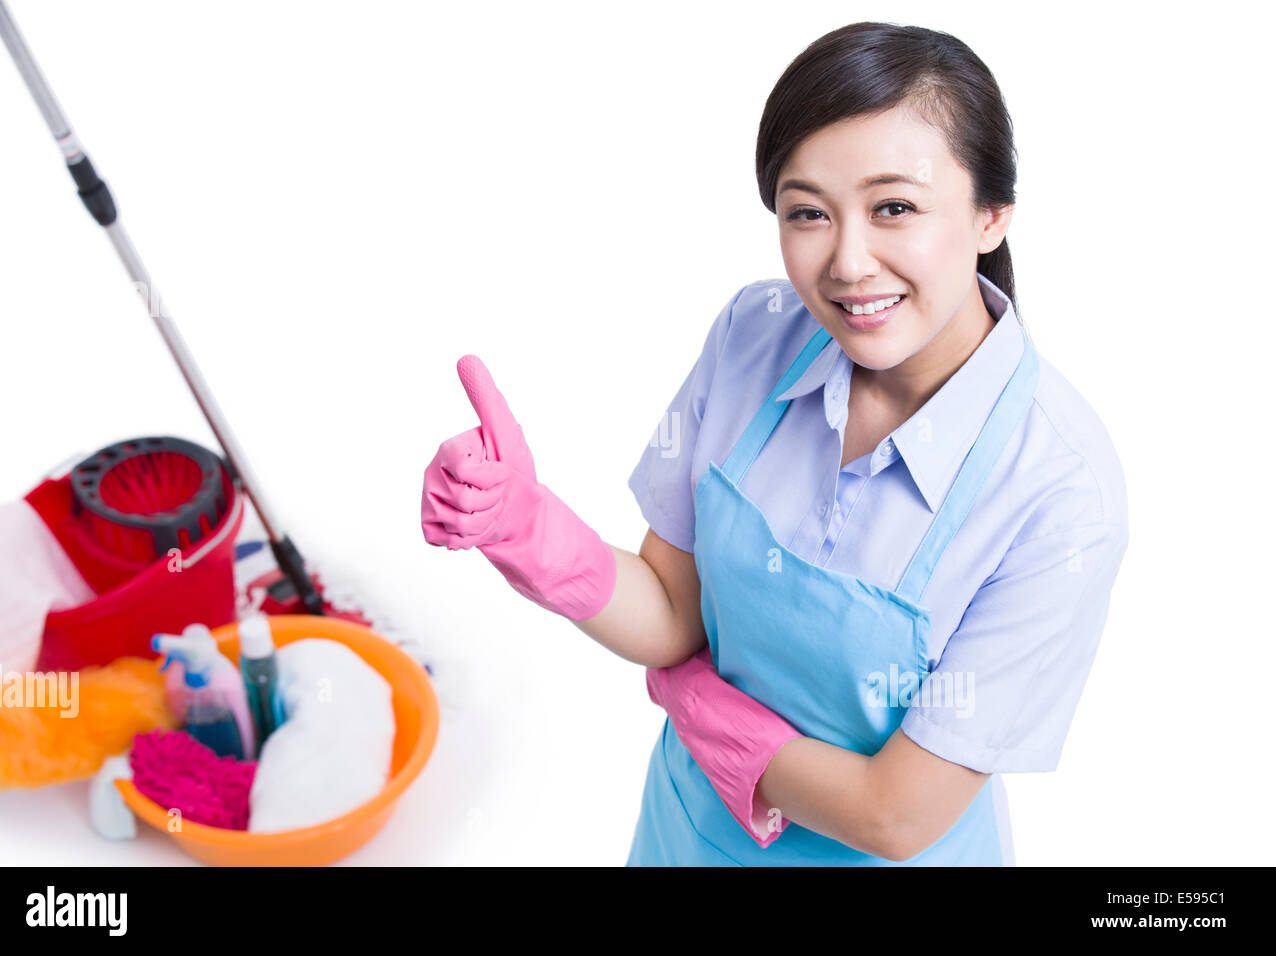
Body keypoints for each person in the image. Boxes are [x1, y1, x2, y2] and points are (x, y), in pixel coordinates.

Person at [420, 21, 1129, 866]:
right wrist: (528, 529)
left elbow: (895, 817)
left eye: (894, 207)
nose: (849, 262)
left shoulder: (1059, 492)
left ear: (990, 216)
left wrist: (710, 719)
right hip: (688, 833)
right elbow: (675, 616)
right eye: (808, 214)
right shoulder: (754, 337)